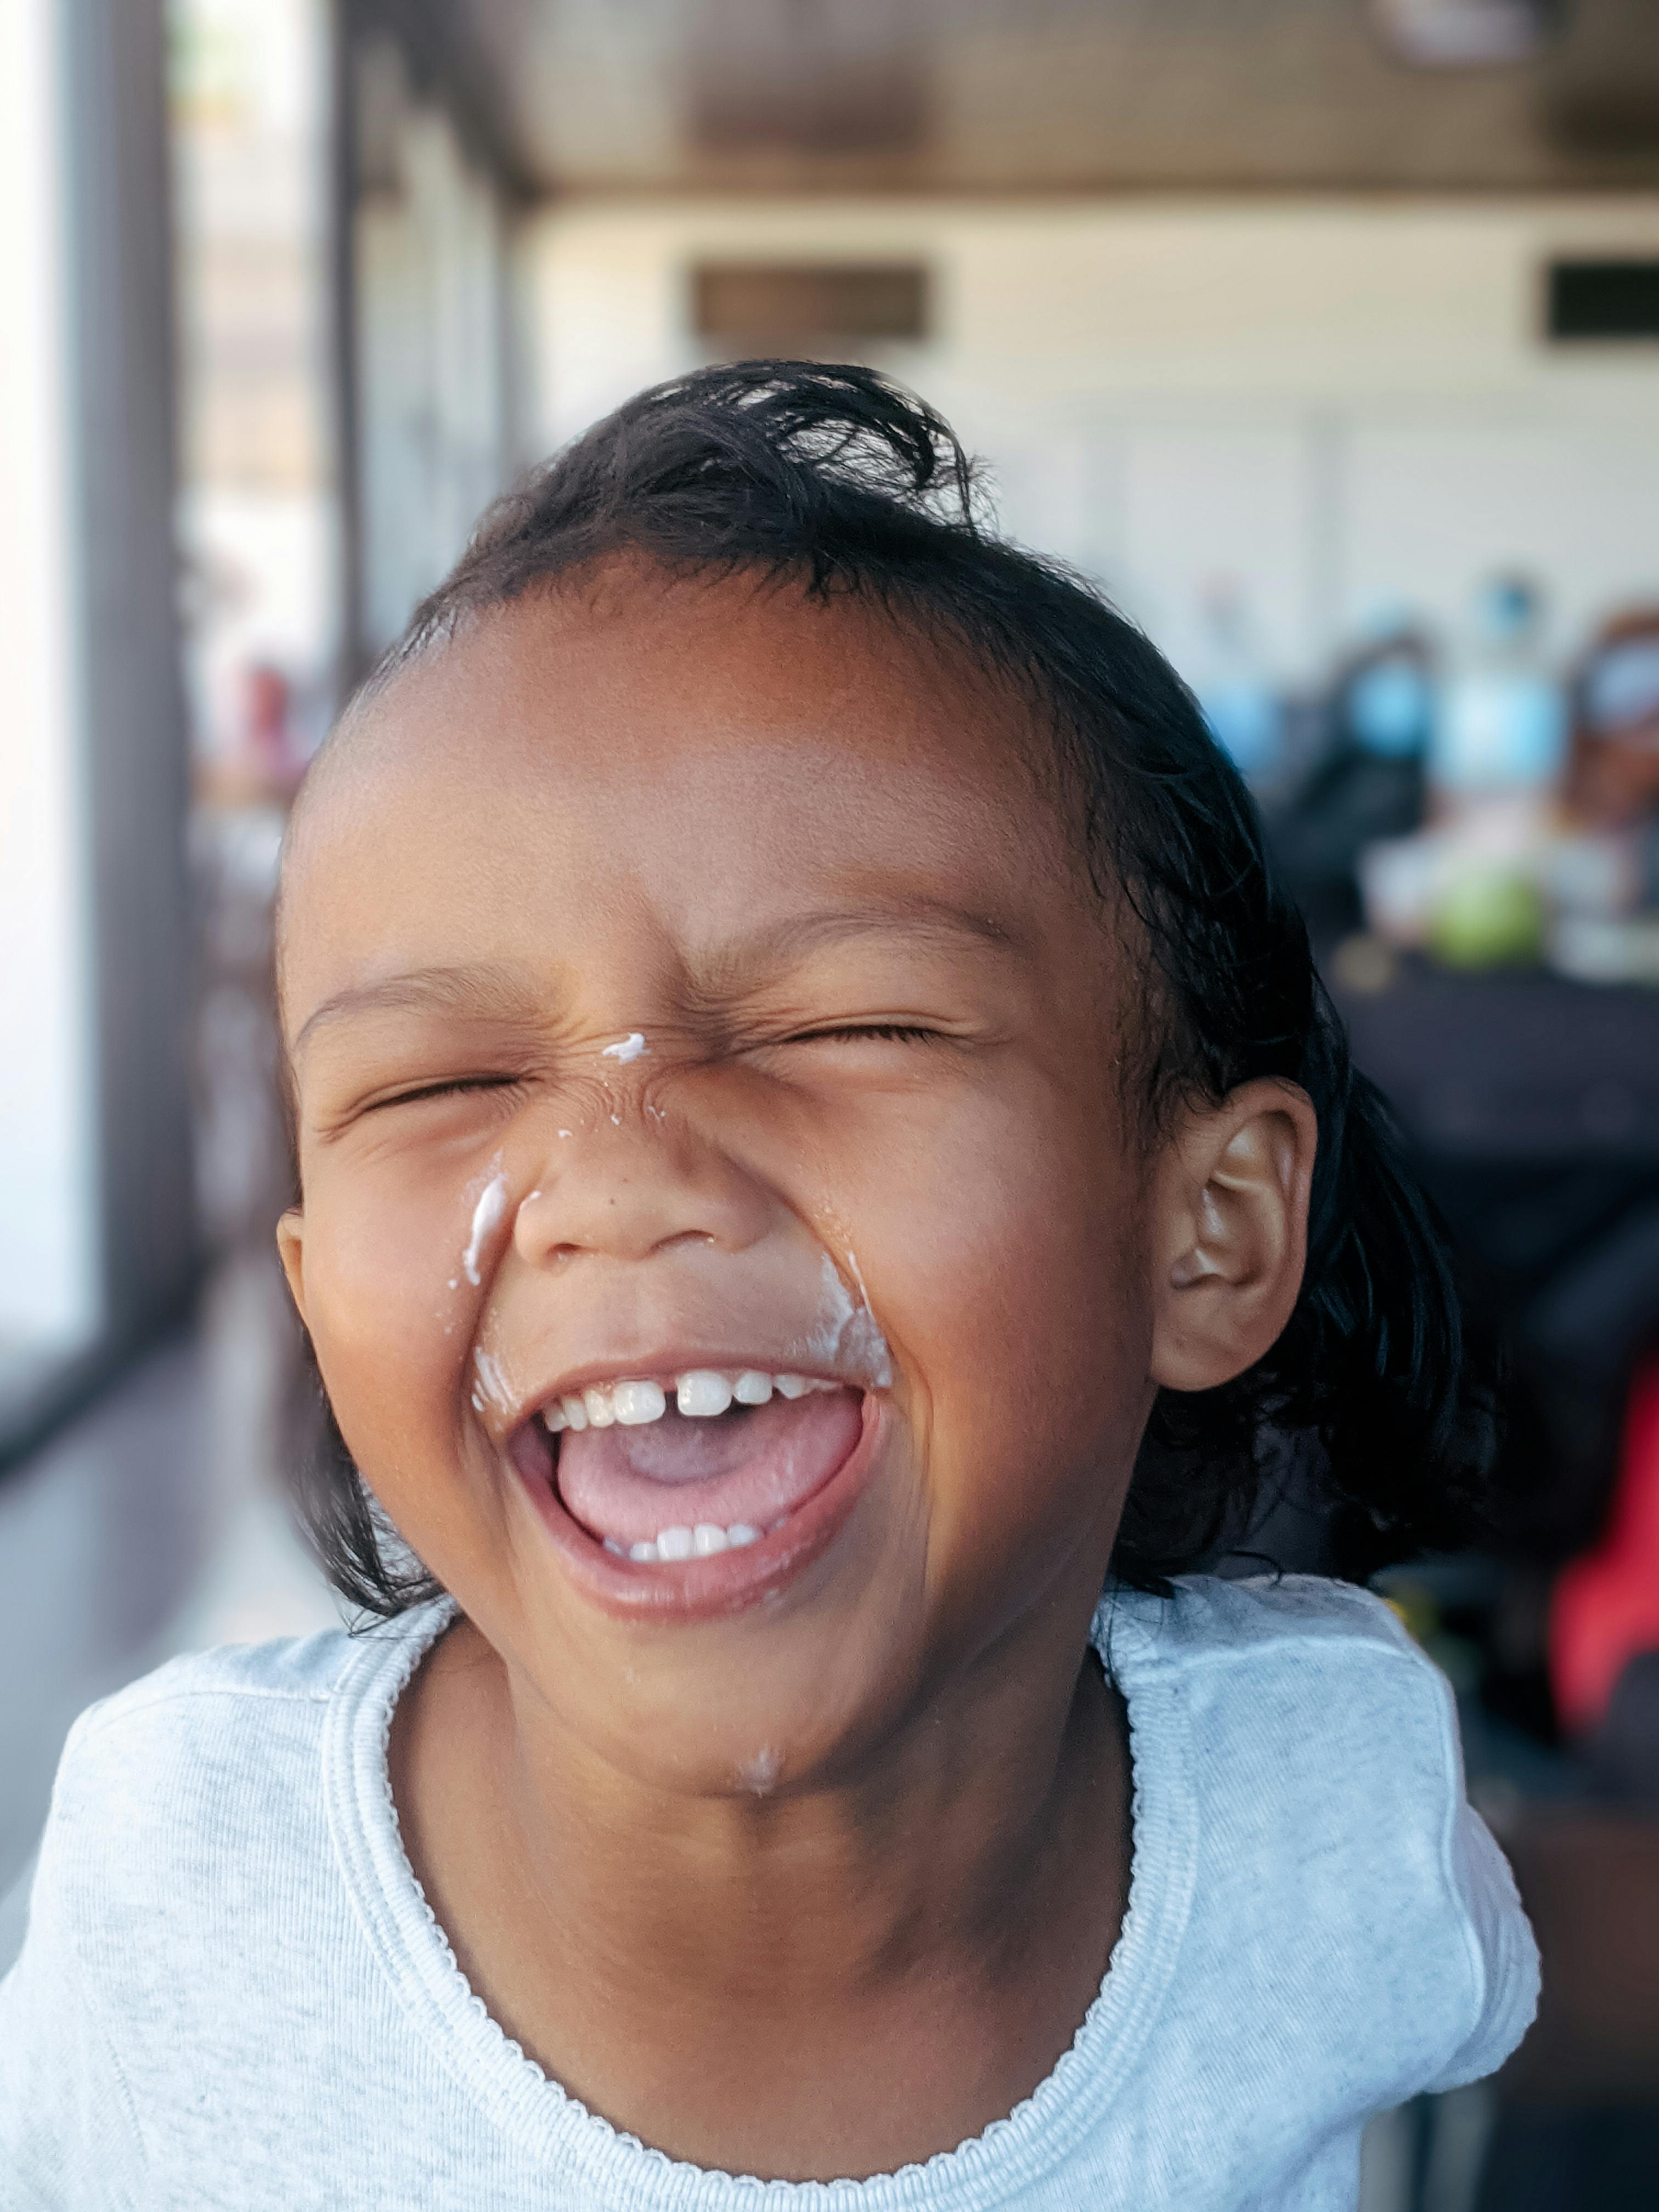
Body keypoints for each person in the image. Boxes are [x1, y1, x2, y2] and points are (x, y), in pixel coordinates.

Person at [0, 363, 1536, 2209]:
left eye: (850, 1023)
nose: (621, 1179)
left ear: (1207, 1229)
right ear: (325, 1308)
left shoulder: (1327, 1794)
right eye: (444, 1085)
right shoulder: (183, 1878)